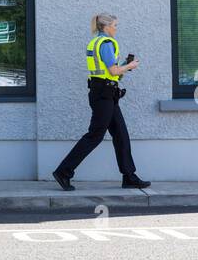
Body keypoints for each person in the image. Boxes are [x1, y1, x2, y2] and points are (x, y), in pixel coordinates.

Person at [53, 13, 150, 190]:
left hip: (106, 93)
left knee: (121, 134)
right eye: (115, 25)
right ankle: (63, 172)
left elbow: (112, 72)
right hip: (103, 95)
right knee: (95, 136)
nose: (116, 28)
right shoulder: (106, 43)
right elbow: (113, 71)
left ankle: (129, 176)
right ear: (106, 26)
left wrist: (123, 69)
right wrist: (130, 65)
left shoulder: (96, 41)